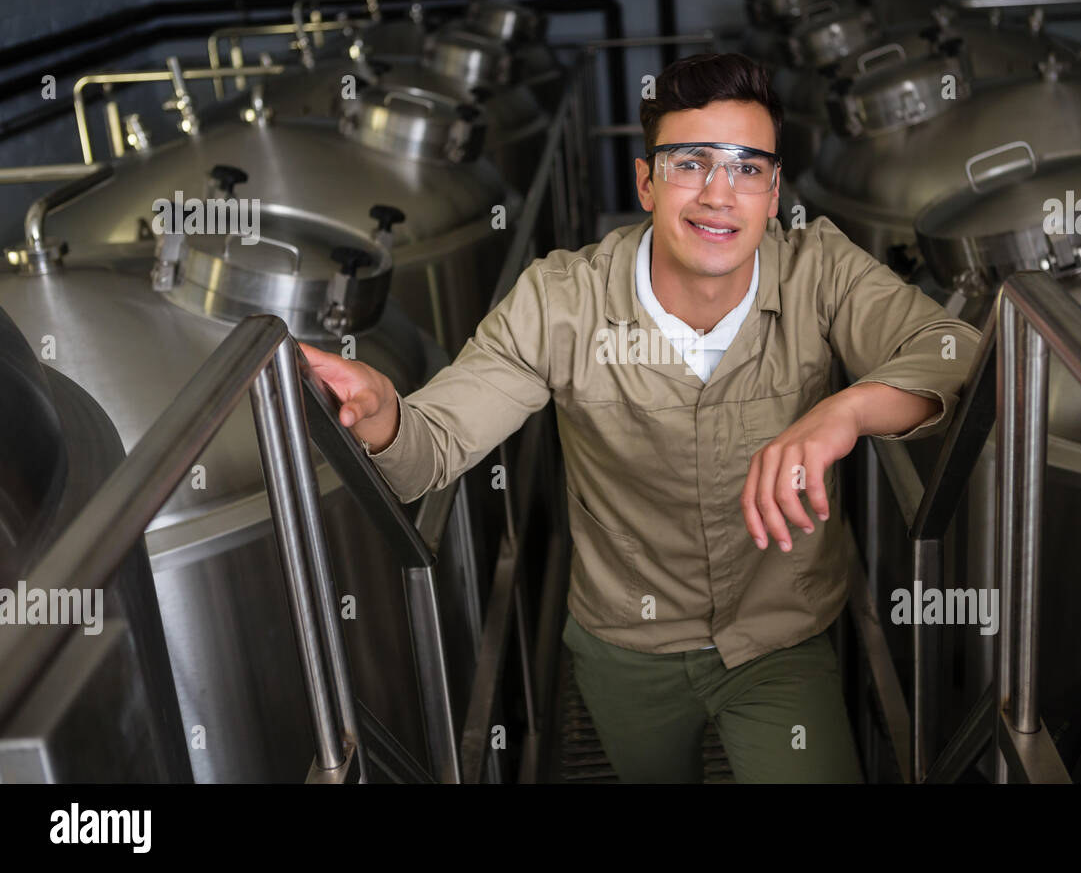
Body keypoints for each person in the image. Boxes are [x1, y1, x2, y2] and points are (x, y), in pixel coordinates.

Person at [301, 52, 981, 783]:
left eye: (749, 169)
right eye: (691, 163)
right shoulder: (561, 301)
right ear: (646, 182)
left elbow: (958, 351)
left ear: (775, 189)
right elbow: (433, 446)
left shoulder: (821, 270)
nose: (721, 194)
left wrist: (847, 410)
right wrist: (380, 414)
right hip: (627, 647)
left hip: (778, 638)